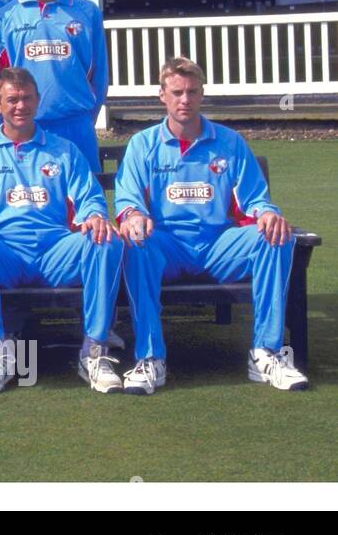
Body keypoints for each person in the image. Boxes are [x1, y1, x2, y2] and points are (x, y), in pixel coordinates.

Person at [115, 57, 307, 393]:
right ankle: (150, 359)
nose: (184, 99)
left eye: (192, 91)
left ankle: (266, 352)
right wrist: (133, 216)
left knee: (277, 238)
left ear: (202, 93)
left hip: (219, 244)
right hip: (167, 245)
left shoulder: (229, 143)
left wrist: (266, 213)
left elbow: (254, 200)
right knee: (135, 242)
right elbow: (128, 199)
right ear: (162, 95)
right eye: (176, 92)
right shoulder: (142, 145)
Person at [0, 67, 123, 394]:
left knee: (107, 241)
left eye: (27, 98)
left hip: (56, 252)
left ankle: (95, 351)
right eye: (12, 100)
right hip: (7, 254)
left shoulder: (63, 150)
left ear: (38, 101)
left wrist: (94, 216)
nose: (20, 106)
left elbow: (88, 197)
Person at [0, 0, 108, 173]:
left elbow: (100, 77)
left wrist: (85, 118)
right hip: (26, 129)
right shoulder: (4, 19)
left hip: (76, 127)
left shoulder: (87, 12)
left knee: (86, 208)